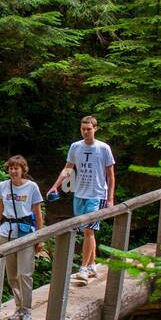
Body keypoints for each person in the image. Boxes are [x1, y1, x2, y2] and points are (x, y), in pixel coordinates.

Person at [46, 115, 116, 285]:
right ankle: (92, 265)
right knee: (86, 230)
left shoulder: (103, 148)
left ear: (95, 129)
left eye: (89, 129)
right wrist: (55, 186)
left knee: (88, 231)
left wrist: (110, 198)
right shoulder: (75, 147)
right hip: (79, 193)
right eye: (83, 129)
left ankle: (83, 269)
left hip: (97, 194)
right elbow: (67, 170)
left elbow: (110, 175)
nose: (86, 132)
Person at [0, 155, 46, 320]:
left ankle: (28, 310)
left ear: (23, 170)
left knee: (25, 273)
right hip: (6, 233)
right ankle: (18, 308)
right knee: (12, 276)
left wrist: (40, 237)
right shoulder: (3, 187)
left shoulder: (32, 187)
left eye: (16, 168)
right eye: (11, 168)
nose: (13, 171)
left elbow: (38, 214)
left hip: (26, 234)